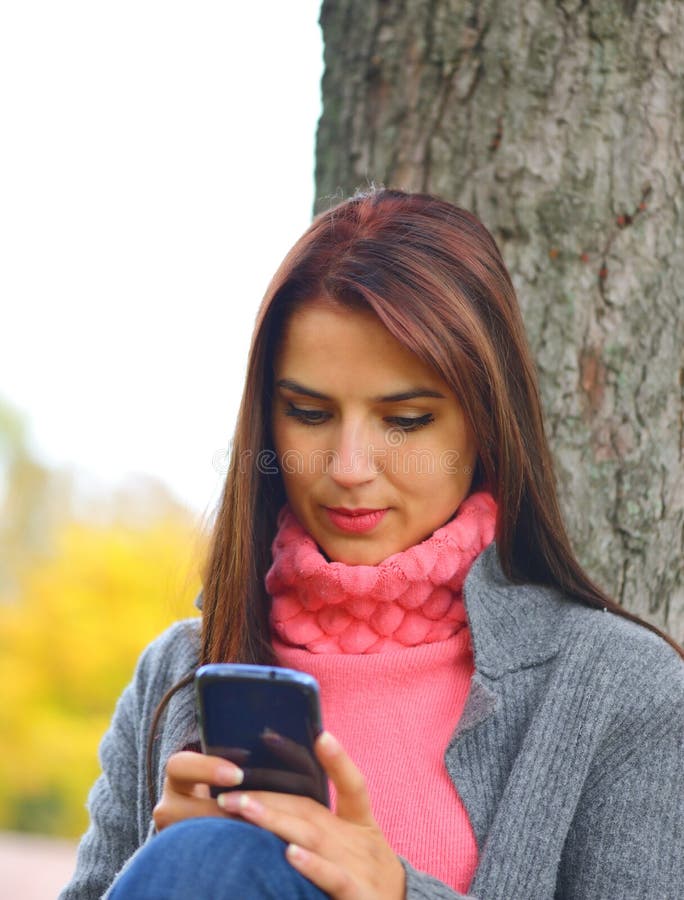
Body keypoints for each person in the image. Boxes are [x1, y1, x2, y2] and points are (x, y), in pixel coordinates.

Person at [60, 189, 683, 900]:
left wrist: (394, 892)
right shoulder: (176, 672)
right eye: (308, 413)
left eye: (406, 419)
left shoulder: (620, 690)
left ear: (485, 424)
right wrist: (170, 862)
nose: (349, 467)